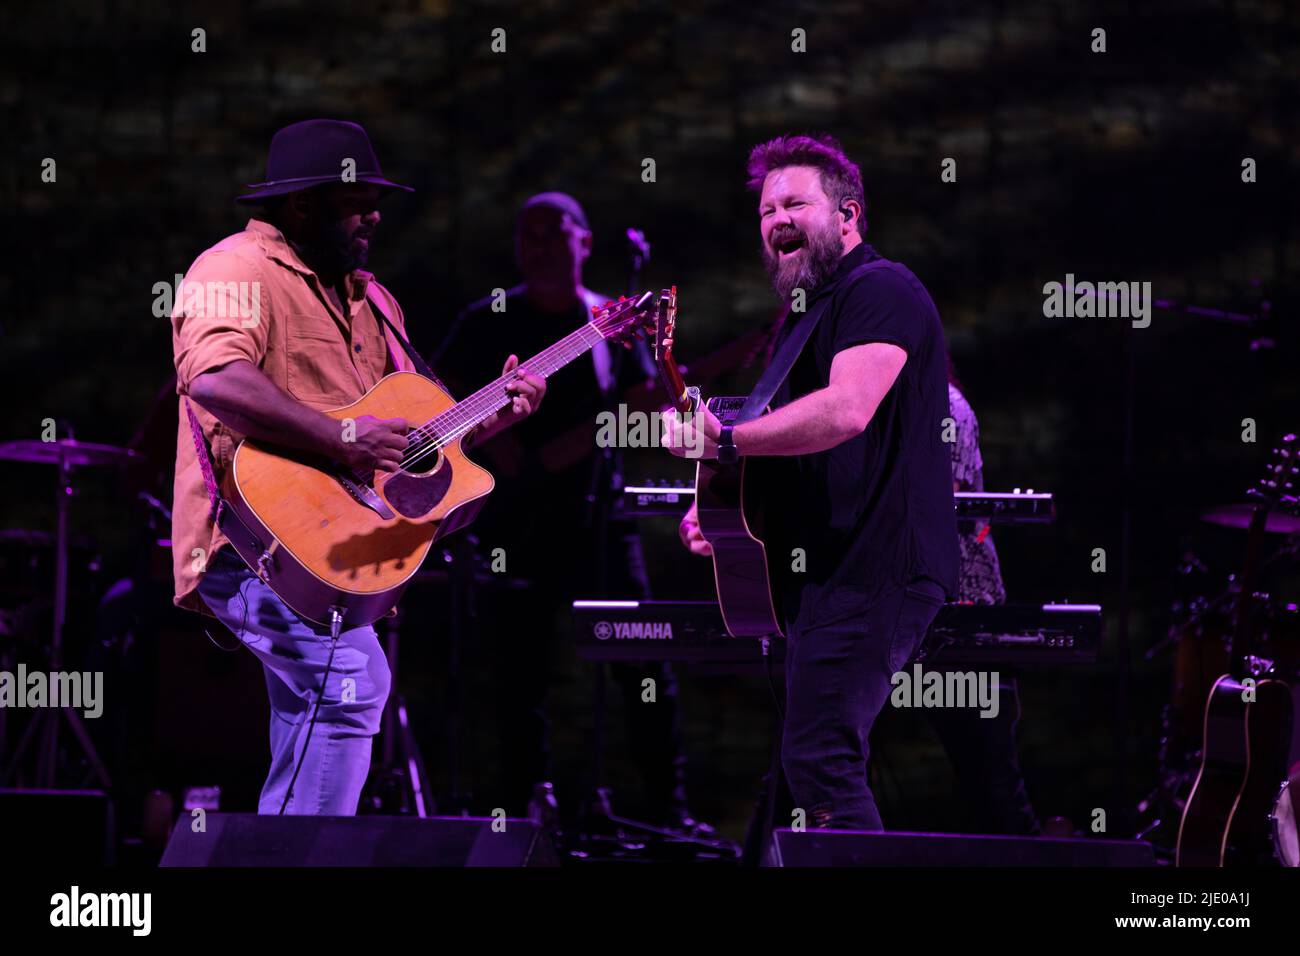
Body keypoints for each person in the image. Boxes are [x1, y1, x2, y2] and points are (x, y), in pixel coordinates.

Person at [171, 119, 545, 815]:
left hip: (331, 551)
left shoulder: (374, 300)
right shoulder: (231, 268)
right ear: (303, 203)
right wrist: (342, 437)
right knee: (350, 686)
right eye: (358, 200)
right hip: (247, 543)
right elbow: (217, 380)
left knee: (313, 716)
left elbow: (404, 440)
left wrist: (487, 423)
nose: (374, 215)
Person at [666, 134, 958, 830]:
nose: (777, 220)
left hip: (879, 567)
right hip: (829, 573)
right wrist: (723, 511)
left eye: (796, 202)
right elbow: (796, 445)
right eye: (767, 210)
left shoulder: (880, 288)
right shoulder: (810, 311)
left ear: (849, 214)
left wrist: (726, 438)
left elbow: (846, 411)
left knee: (822, 756)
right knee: (813, 760)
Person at [436, 193, 708, 831]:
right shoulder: (488, 319)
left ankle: (670, 814)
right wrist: (506, 449)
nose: (538, 246)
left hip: (600, 522)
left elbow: (647, 398)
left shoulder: (605, 322)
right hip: (512, 523)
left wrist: (736, 358)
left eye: (554, 234)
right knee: (516, 673)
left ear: (585, 242)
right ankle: (520, 812)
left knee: (642, 665)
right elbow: (439, 394)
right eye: (526, 234)